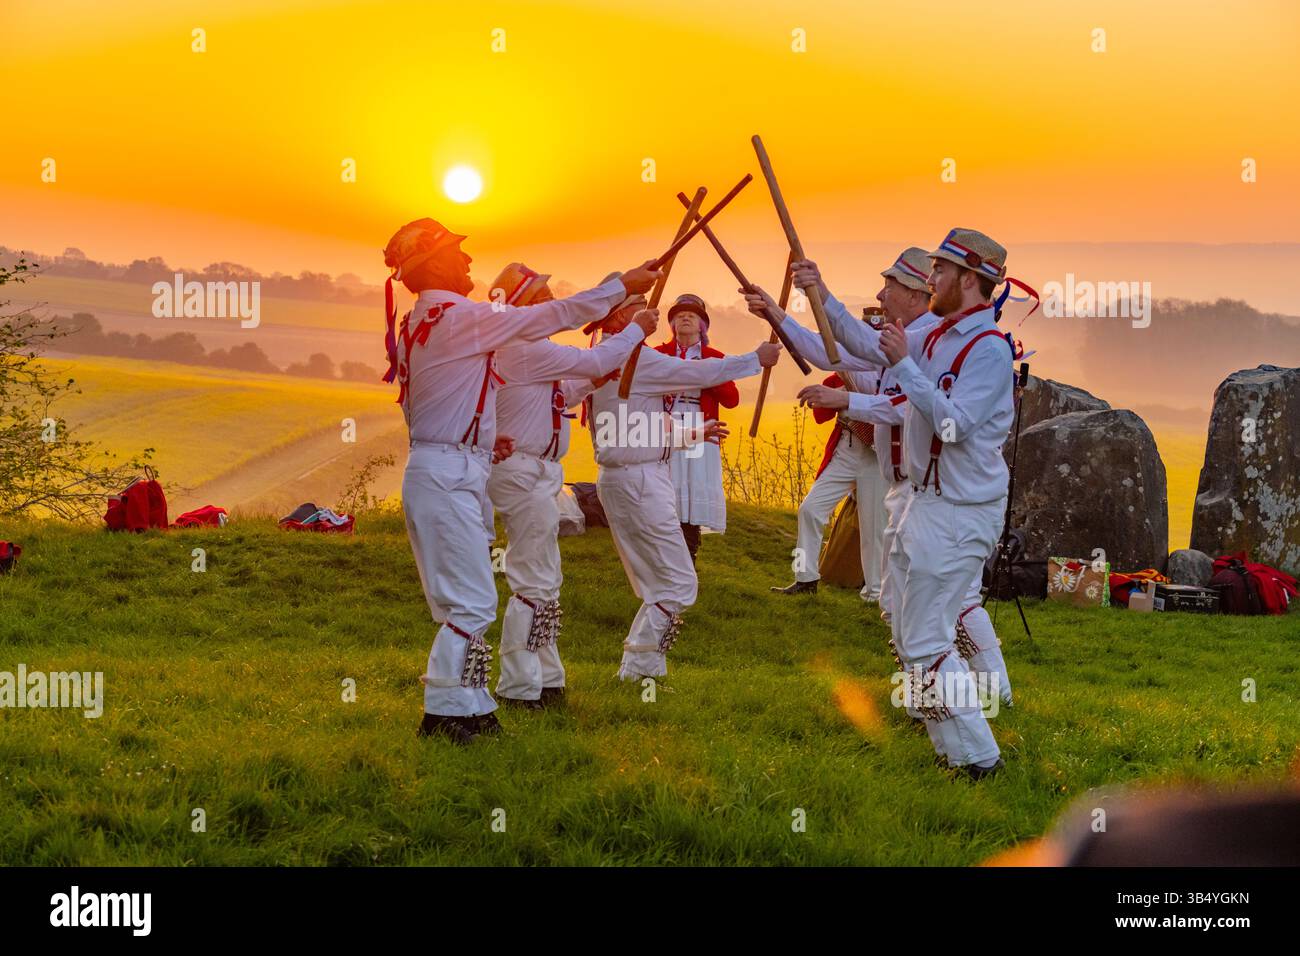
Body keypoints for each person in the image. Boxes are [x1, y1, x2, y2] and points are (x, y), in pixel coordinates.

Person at [747, 229, 1016, 777]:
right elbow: (862, 346)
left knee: (924, 639)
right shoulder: (939, 334)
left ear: (968, 280)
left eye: (939, 270)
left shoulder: (987, 350)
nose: (930, 278)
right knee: (904, 631)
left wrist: (906, 367)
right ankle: (953, 753)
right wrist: (817, 292)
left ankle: (980, 758)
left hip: (961, 511)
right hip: (924, 502)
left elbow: (954, 424)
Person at [383, 219, 661, 744]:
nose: (468, 263)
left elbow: (430, 404)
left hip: (448, 467)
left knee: (464, 600)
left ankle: (462, 710)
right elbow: (557, 315)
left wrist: (484, 442)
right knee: (470, 602)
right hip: (449, 474)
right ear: (433, 265)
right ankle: (452, 715)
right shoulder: (461, 316)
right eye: (456, 253)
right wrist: (621, 288)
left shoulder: (427, 321)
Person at [585, 276, 780, 682]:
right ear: (622, 317)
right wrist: (755, 359)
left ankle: (644, 673)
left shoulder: (601, 359)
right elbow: (703, 371)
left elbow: (634, 427)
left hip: (620, 479)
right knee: (677, 582)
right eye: (641, 306)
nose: (651, 313)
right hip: (641, 482)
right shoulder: (638, 360)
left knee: (658, 582)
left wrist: (694, 434)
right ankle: (637, 666)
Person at [488, 263, 659, 710]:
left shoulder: (530, 349)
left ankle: (546, 681)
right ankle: (519, 687)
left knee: (545, 578)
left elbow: (564, 388)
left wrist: (591, 380)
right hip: (522, 471)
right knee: (532, 579)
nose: (550, 302)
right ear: (521, 303)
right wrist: (636, 330)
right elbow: (597, 359)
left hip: (538, 471)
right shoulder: (521, 345)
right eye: (541, 297)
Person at [764, 296, 886, 602]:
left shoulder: (890, 372)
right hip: (846, 449)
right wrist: (835, 393)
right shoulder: (842, 369)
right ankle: (805, 578)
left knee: (873, 528)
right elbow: (820, 415)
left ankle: (874, 594)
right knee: (810, 509)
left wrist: (849, 396)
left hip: (875, 455)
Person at [654, 293, 739, 564]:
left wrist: (706, 373)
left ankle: (688, 555)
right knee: (668, 485)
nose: (685, 317)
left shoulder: (714, 357)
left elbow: (731, 399)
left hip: (701, 424)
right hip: (667, 423)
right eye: (679, 315)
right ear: (672, 325)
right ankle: (665, 554)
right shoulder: (659, 355)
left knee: (693, 488)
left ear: (702, 324)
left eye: (692, 314)